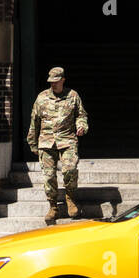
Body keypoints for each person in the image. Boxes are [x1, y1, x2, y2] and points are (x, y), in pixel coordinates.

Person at [26, 66, 89, 224]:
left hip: (67, 140)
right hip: (46, 142)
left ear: (63, 80)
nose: (53, 85)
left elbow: (81, 115)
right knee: (49, 176)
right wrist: (33, 143)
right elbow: (34, 121)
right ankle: (53, 206)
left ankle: (70, 198)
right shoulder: (42, 98)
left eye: (56, 82)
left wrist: (82, 126)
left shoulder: (72, 96)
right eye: (51, 82)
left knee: (70, 169)